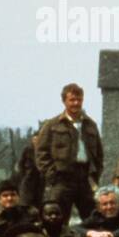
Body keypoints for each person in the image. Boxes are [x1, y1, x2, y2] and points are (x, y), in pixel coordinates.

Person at [35, 82, 104, 224]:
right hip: (62, 179)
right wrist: (52, 175)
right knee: (56, 218)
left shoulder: (91, 125)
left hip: (85, 179)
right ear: (64, 101)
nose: (76, 103)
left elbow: (99, 153)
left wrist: (95, 174)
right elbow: (41, 153)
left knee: (93, 219)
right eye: (72, 100)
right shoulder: (52, 125)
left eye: (79, 99)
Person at [17, 134, 44, 211]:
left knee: (39, 199)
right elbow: (21, 162)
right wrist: (23, 174)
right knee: (26, 200)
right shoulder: (28, 149)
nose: (36, 141)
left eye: (38, 139)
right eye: (34, 139)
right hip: (28, 177)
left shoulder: (43, 150)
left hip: (40, 178)